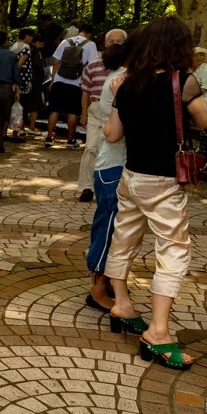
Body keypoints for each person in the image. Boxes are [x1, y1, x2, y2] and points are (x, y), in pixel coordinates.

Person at [103, 17, 207, 370]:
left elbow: (112, 135)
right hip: (164, 181)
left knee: (124, 238)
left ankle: (121, 303)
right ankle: (159, 331)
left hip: (131, 176)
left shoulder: (125, 84)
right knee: (174, 250)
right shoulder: (185, 81)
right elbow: (205, 122)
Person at [84, 37, 133, 313]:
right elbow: (116, 132)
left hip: (114, 165)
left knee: (114, 228)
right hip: (113, 166)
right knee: (107, 229)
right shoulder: (121, 80)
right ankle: (98, 288)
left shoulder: (120, 77)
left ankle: (109, 282)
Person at [77, 28, 128, 202]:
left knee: (113, 149)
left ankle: (112, 186)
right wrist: (83, 113)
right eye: (111, 41)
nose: (115, 44)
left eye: (119, 42)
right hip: (96, 109)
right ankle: (86, 187)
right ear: (105, 43)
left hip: (118, 112)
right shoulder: (93, 65)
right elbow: (85, 92)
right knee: (91, 148)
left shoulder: (128, 68)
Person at [46, 23, 98, 148]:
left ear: (79, 31)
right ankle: (70, 140)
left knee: (55, 109)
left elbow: (55, 61)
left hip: (59, 80)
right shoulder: (90, 44)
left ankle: (48, 138)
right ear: (90, 34)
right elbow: (92, 65)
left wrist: (53, 80)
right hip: (77, 82)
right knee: (72, 111)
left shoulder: (65, 42)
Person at [10, 29, 35, 135]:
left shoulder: (13, 46)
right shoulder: (26, 47)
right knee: (22, 104)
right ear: (27, 36)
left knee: (16, 104)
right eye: (31, 36)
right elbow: (20, 64)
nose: (32, 39)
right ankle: (20, 129)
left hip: (13, 79)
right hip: (22, 80)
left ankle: (19, 128)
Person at [24, 34, 47, 135]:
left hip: (28, 80)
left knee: (25, 104)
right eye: (41, 44)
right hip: (35, 81)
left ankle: (22, 127)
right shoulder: (35, 51)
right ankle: (32, 126)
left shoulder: (28, 50)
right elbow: (37, 66)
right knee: (35, 105)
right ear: (37, 42)